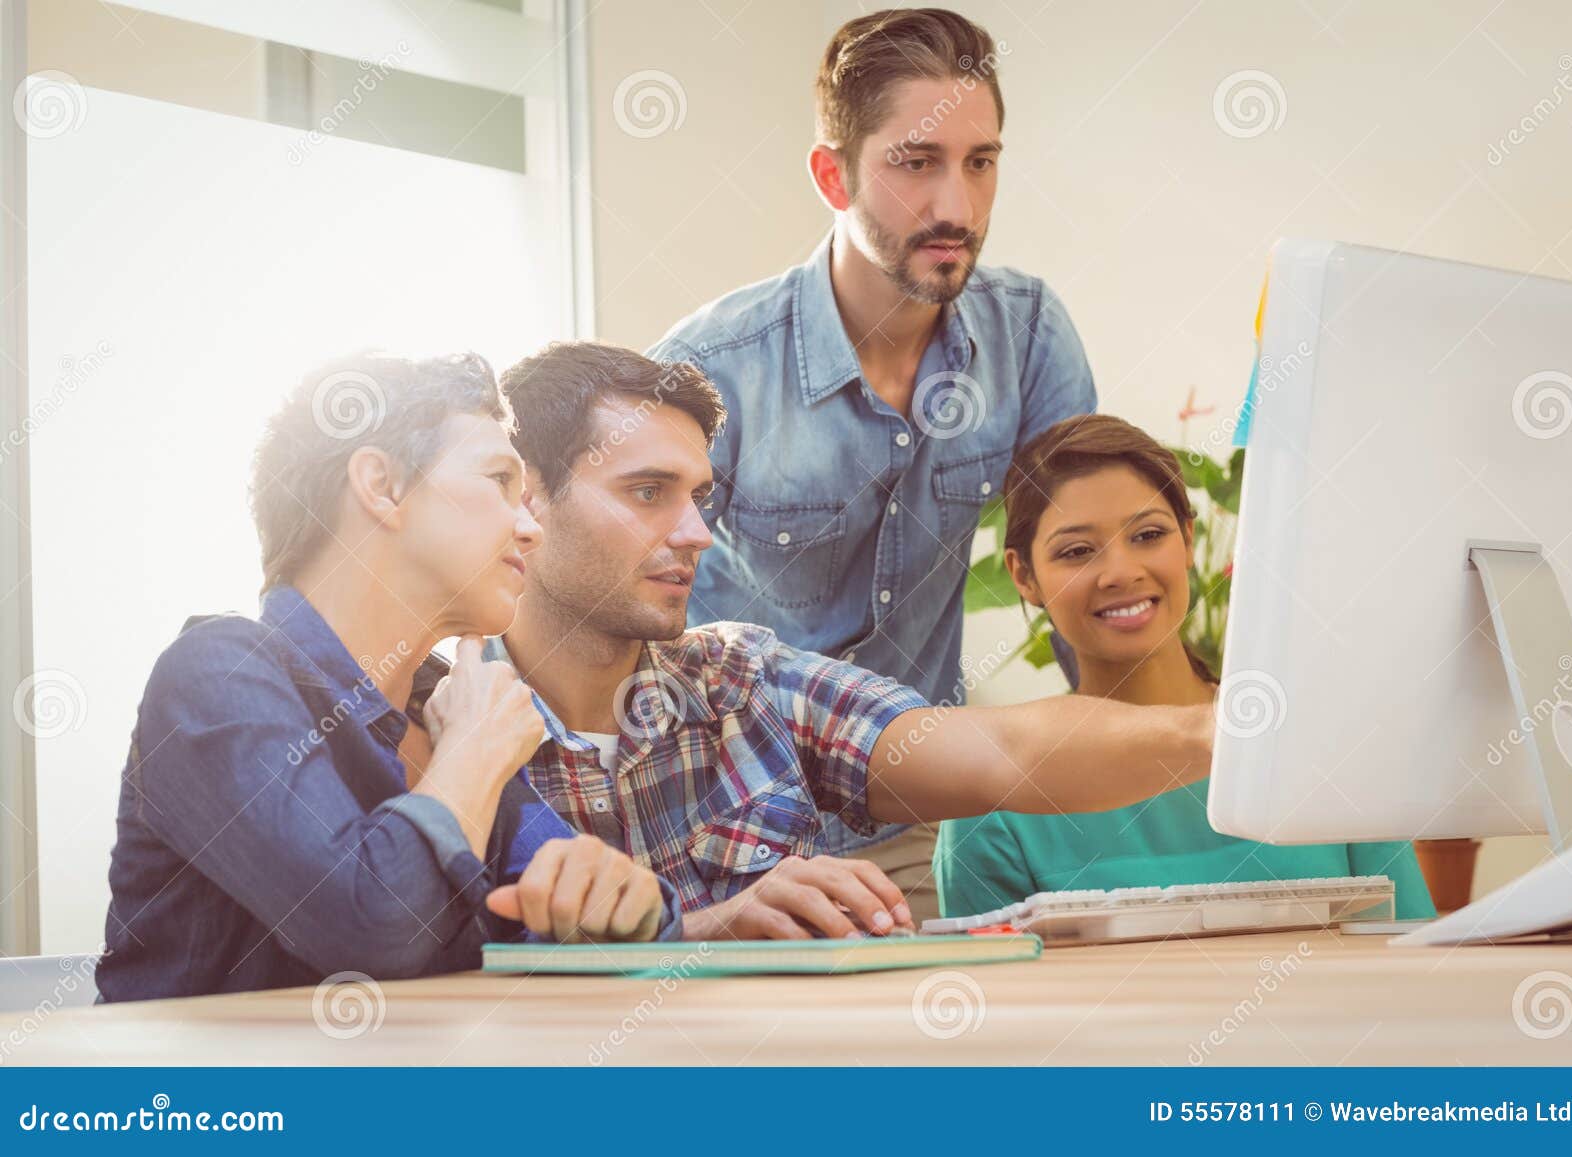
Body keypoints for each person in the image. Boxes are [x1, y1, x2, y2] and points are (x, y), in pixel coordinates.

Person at [489, 341, 1211, 942]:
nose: (695, 533)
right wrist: (708, 932)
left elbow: (1007, 751)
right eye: (649, 492)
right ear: (526, 499)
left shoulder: (742, 680)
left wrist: (1231, 730)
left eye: (698, 496)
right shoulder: (435, 734)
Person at [645, 8, 1095, 922]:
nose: (956, 209)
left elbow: (1087, 565)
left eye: (981, 162)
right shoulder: (714, 369)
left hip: (912, 837)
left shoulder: (1031, 336)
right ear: (832, 173)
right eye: (915, 163)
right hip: (729, 845)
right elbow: (616, 620)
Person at [98, 352, 676, 1002]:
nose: (530, 528)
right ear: (382, 485)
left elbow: (588, 923)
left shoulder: (444, 703)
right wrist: (473, 755)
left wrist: (627, 903)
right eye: (496, 480)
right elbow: (372, 927)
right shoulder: (214, 676)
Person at [934, 414, 1435, 919]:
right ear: (1024, 576)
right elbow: (1010, 994)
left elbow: (1412, 962)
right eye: (1078, 551)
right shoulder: (994, 812)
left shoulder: (1318, 746)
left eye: (1148, 535)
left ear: (1188, 540)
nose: (1122, 572)